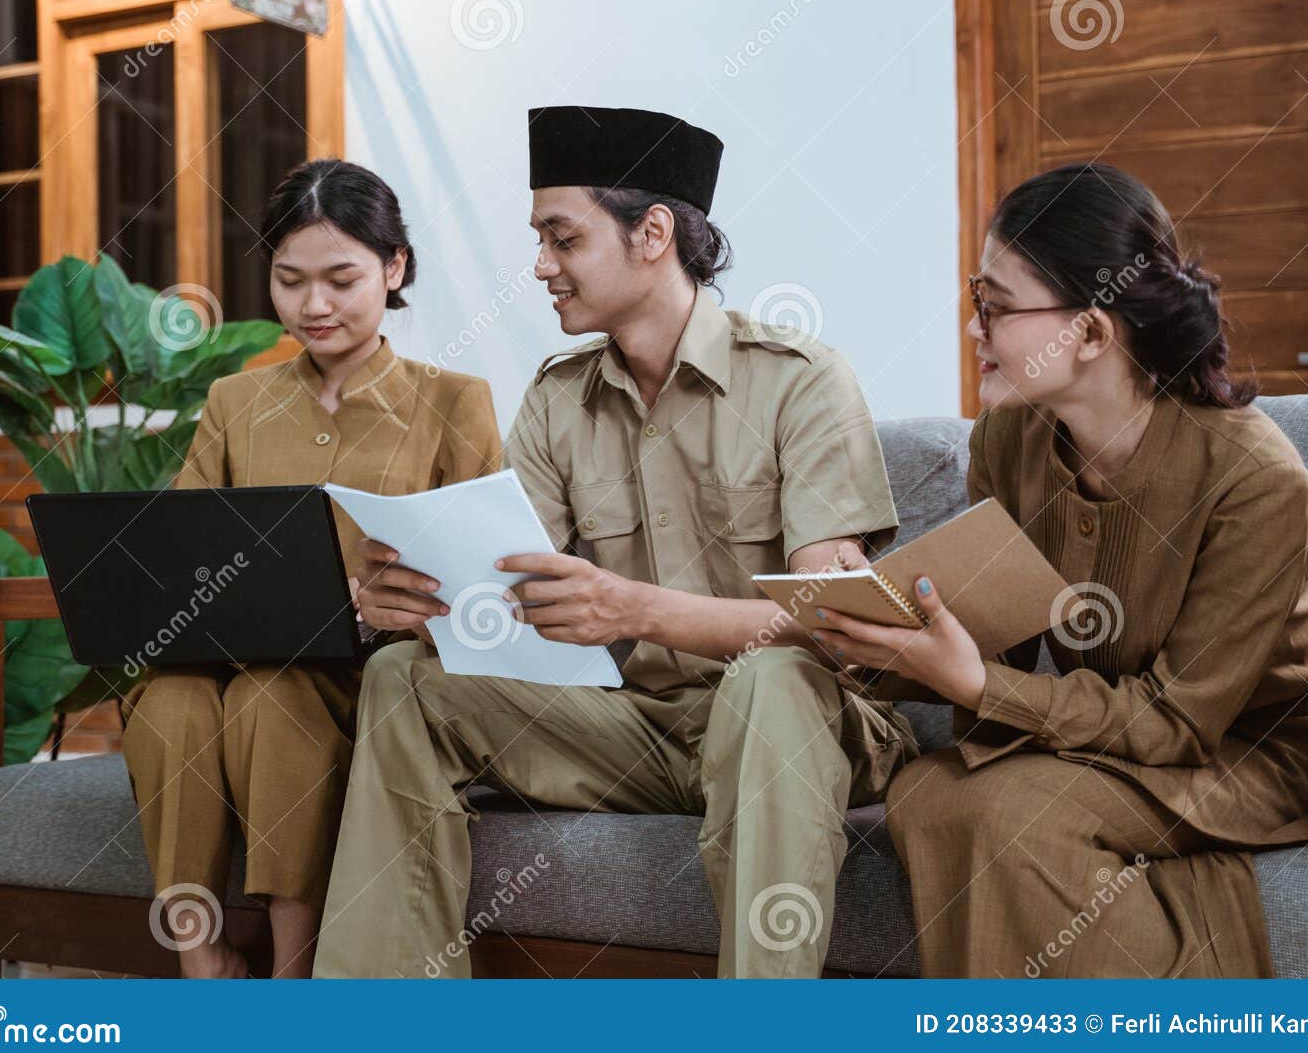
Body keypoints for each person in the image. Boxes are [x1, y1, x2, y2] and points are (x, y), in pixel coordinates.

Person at [316, 106, 913, 978]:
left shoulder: (802, 381)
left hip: (792, 725)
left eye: (563, 238)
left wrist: (633, 608)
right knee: (403, 678)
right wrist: (413, 603)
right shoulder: (558, 399)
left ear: (653, 235)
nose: (541, 266)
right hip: (635, 727)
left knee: (773, 677)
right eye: (539, 239)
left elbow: (834, 623)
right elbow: (509, 596)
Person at [812, 163, 1308, 977]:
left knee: (1013, 810)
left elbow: (1178, 722)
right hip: (1115, 742)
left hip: (1255, 752)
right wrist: (879, 635)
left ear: (1095, 334)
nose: (975, 330)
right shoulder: (1008, 440)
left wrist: (977, 686)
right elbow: (992, 645)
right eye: (977, 299)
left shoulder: (1256, 478)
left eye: (995, 307)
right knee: (927, 794)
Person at [121, 159, 501, 978]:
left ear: (394, 267)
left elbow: (483, 578)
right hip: (228, 659)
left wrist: (392, 605)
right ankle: (204, 961)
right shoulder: (234, 402)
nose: (313, 305)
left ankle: (296, 974)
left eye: (341, 278)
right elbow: (182, 552)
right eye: (290, 280)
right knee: (172, 700)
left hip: (363, 679)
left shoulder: (453, 401)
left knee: (276, 696)